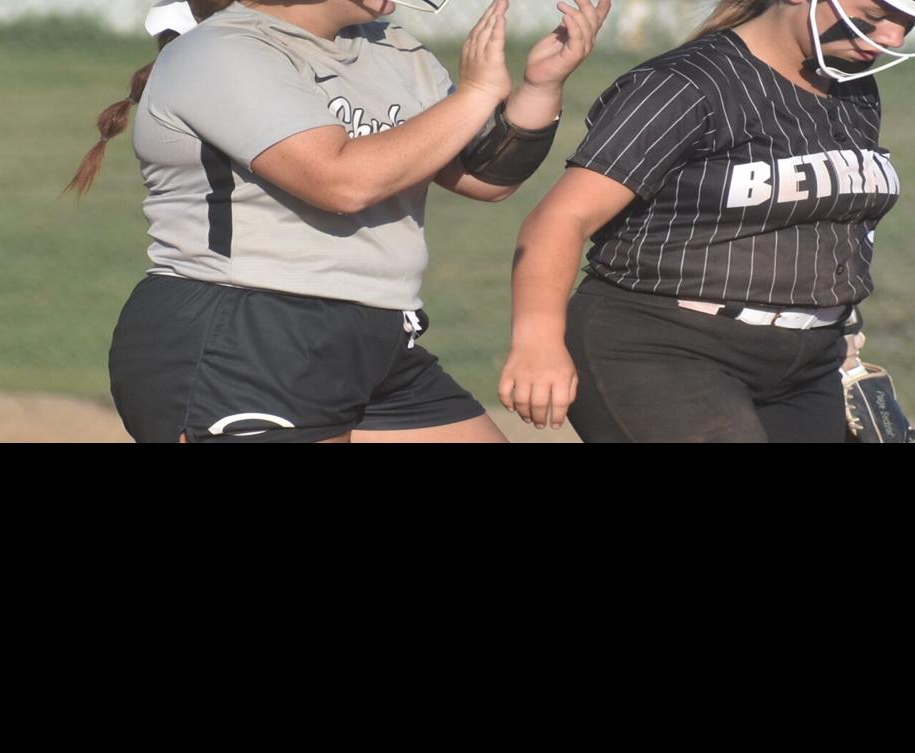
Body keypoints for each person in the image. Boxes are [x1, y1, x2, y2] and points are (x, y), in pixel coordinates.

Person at [68, 0, 611, 442]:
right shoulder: (221, 50)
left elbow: (485, 178)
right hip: (246, 331)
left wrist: (539, 88)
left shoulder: (391, 45)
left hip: (374, 332)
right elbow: (341, 183)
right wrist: (476, 94)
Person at [500, 0, 915, 442]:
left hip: (809, 360)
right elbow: (561, 217)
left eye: (908, 24)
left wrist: (842, 339)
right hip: (660, 345)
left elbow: (832, 225)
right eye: (873, 14)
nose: (891, 37)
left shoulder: (852, 86)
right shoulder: (686, 84)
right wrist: (537, 341)